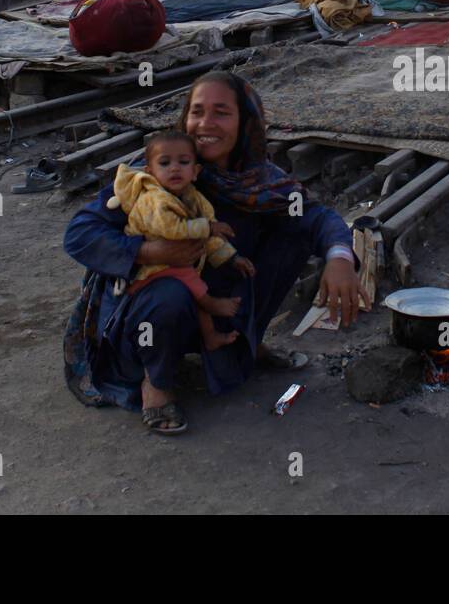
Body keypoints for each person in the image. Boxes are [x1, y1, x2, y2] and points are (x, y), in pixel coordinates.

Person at [63, 71, 360, 434]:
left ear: (245, 121)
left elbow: (316, 217)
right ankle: (155, 382)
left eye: (221, 112)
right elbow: (80, 234)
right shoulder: (154, 178)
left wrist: (341, 258)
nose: (205, 123)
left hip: (212, 301)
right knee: (169, 291)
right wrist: (147, 250)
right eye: (196, 111)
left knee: (292, 236)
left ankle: (246, 343)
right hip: (150, 309)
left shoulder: (261, 181)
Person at [110, 131, 253, 352]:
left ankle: (210, 337)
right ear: (151, 172)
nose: (174, 168)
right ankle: (212, 305)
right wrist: (208, 227)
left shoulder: (193, 196)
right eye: (165, 163)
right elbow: (172, 229)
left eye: (183, 162)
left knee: (193, 282)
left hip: (176, 263)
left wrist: (231, 257)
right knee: (194, 286)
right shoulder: (153, 199)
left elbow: (207, 237)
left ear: (195, 172)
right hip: (148, 268)